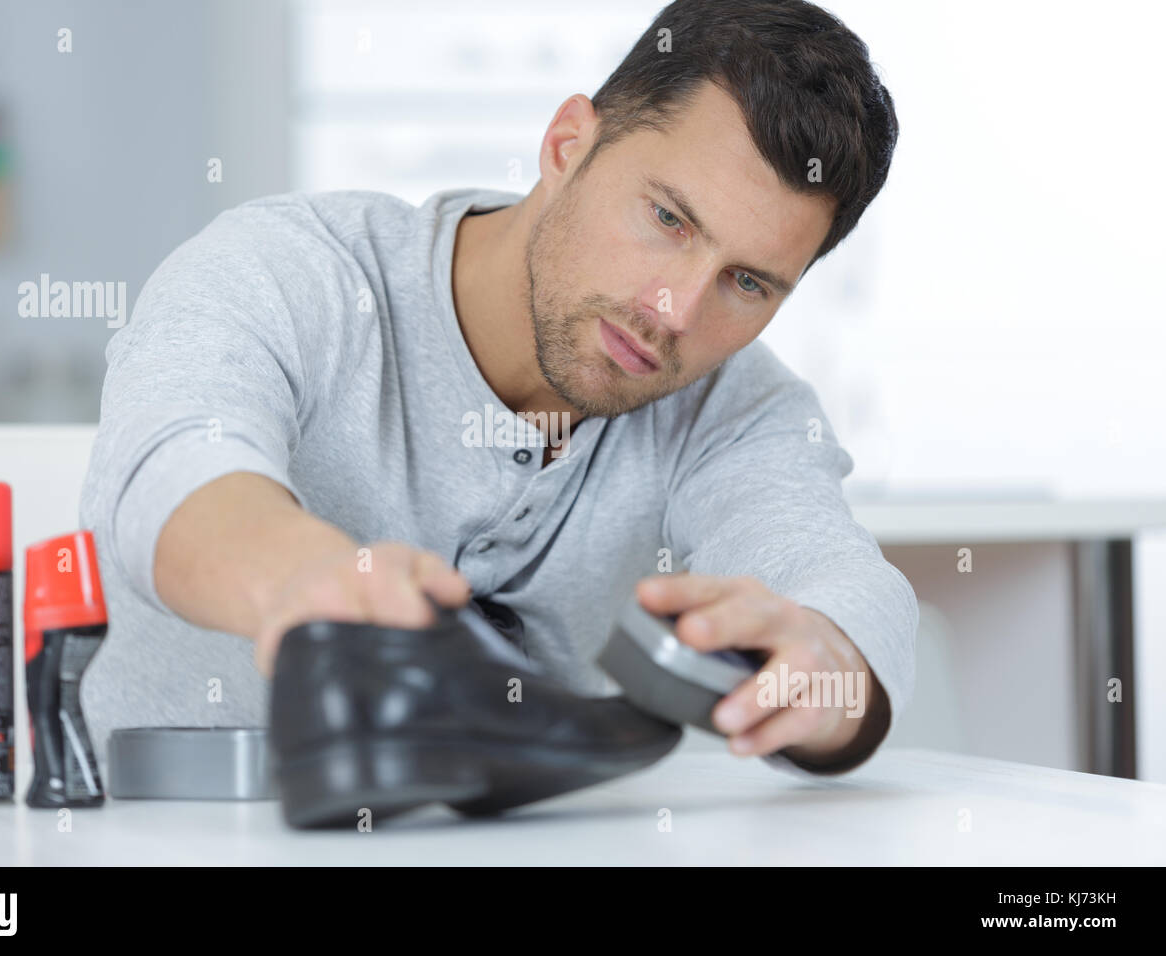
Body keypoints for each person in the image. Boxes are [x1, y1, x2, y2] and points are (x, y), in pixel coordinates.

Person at [80, 0, 915, 776]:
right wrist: (304, 577)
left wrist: (826, 662)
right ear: (566, 146)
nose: (675, 312)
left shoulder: (736, 409)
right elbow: (170, 466)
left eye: (747, 283)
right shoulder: (289, 271)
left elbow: (837, 577)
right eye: (668, 219)